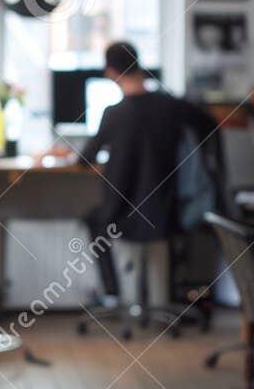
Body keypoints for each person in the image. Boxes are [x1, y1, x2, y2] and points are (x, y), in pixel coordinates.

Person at [75, 41, 218, 304]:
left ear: (110, 72)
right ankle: (167, 297)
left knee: (94, 220)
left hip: (124, 216)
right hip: (169, 211)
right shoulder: (173, 106)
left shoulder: (114, 114)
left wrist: (110, 165)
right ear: (138, 66)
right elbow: (210, 125)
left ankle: (112, 294)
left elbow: (84, 159)